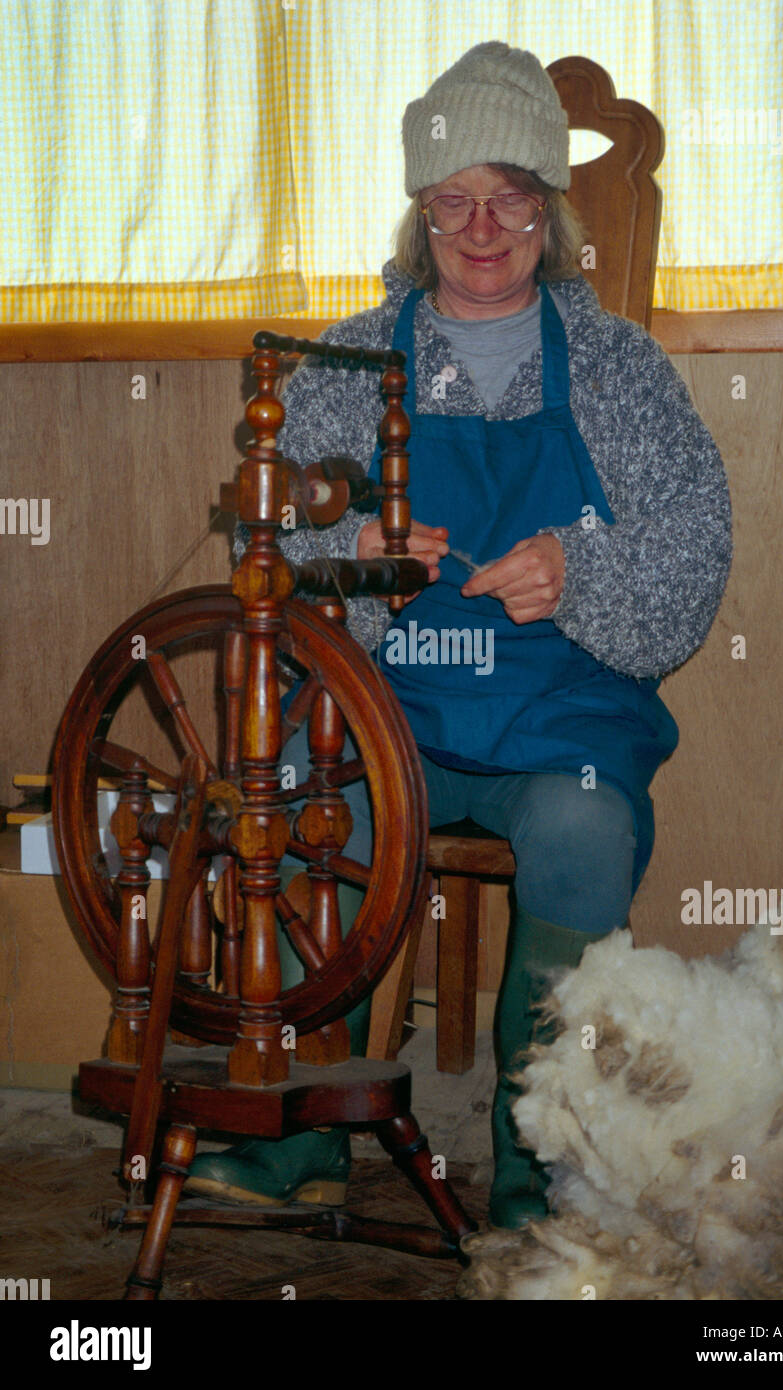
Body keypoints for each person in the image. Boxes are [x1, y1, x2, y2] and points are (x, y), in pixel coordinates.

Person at [187, 41, 732, 1229]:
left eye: (509, 200)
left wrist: (576, 568)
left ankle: (542, 1179)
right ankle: (295, 1147)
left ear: (549, 214)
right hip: (397, 715)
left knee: (584, 830)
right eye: (451, 203)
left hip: (563, 717)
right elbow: (263, 565)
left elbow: (693, 552)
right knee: (298, 805)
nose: (481, 229)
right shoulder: (346, 360)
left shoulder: (616, 367)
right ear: (417, 215)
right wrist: (374, 570)